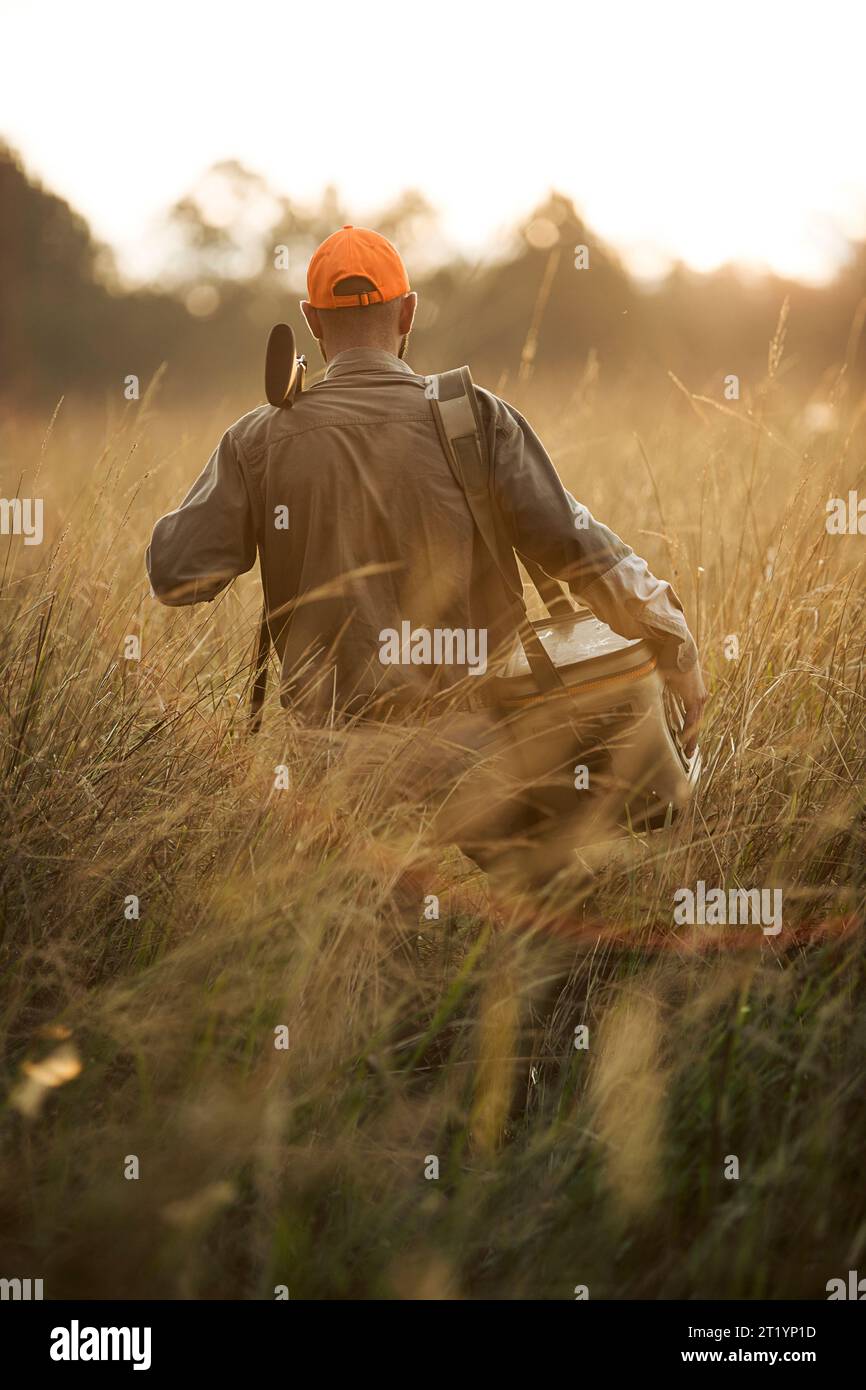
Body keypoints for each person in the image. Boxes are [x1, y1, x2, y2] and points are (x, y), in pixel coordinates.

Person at [146, 224, 707, 893]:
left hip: (324, 769)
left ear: (311, 322)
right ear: (408, 312)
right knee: (553, 925)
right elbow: (580, 548)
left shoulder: (260, 438)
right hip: (477, 748)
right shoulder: (475, 417)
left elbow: (175, 576)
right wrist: (675, 644)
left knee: (332, 961)